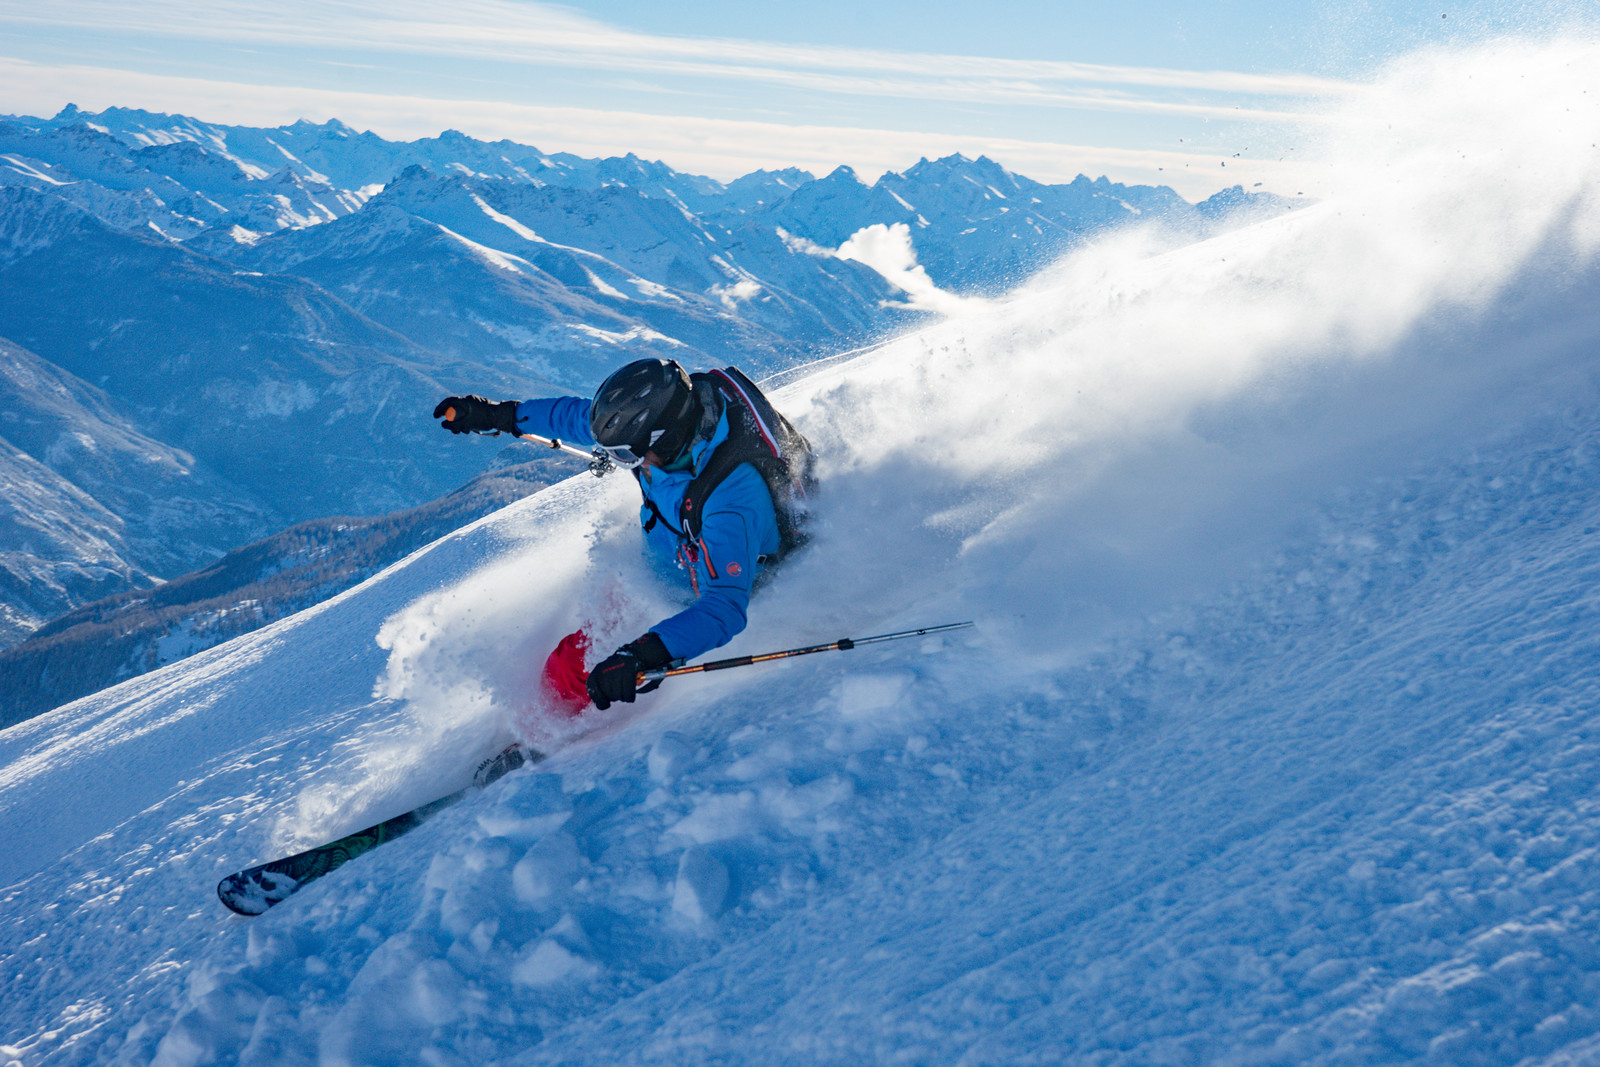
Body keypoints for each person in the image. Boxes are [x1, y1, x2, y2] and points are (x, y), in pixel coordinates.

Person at [434, 358, 813, 711]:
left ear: (665, 439)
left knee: (577, 668)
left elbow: (724, 608)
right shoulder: (667, 428)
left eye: (625, 456)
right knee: (569, 663)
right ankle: (551, 717)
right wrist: (500, 415)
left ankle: (553, 734)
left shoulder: (730, 502)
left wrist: (644, 653)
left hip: (698, 593)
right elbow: (574, 418)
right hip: (672, 555)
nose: (619, 462)